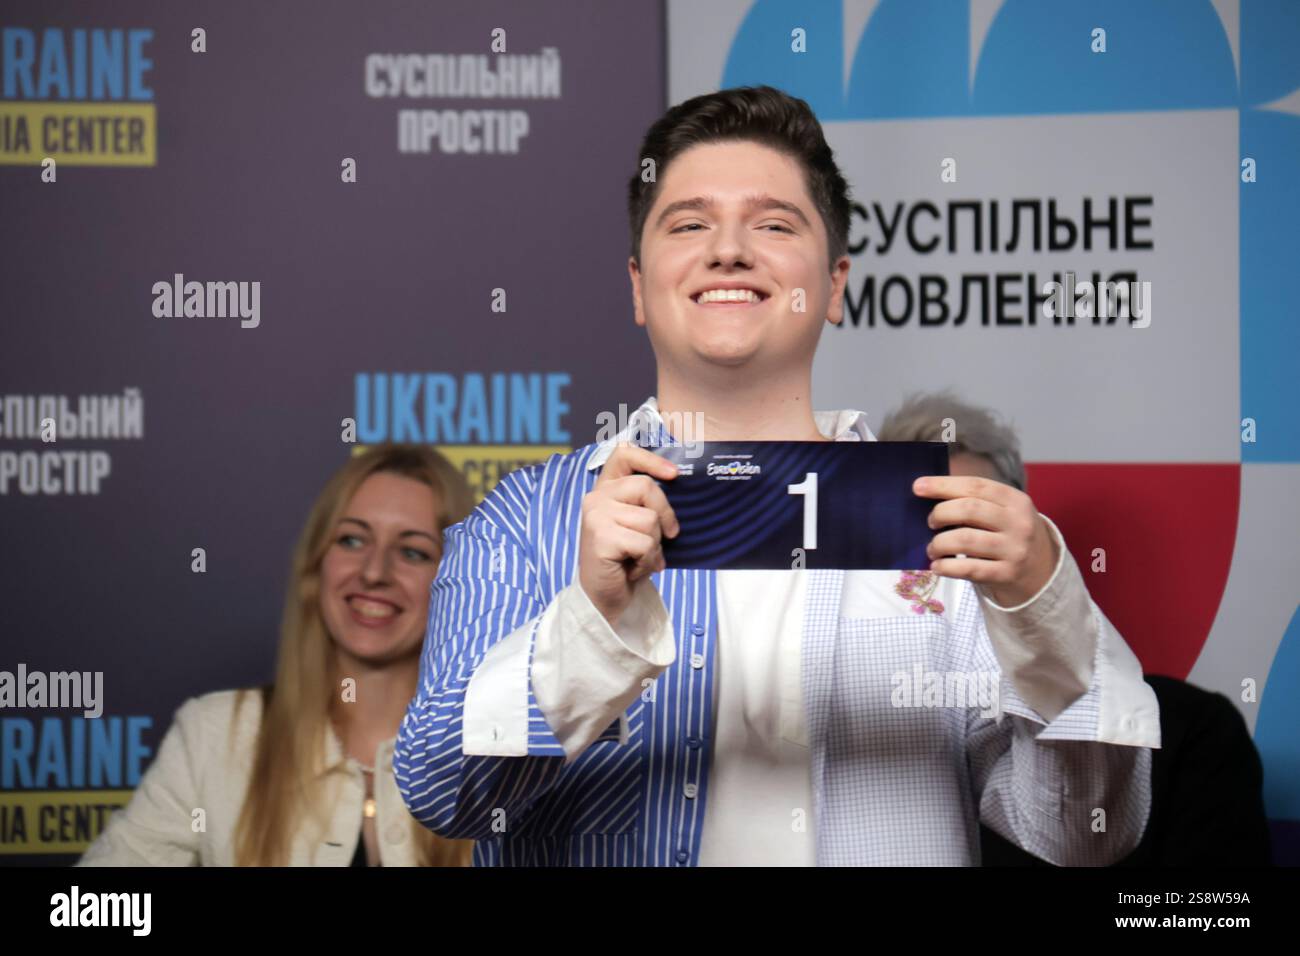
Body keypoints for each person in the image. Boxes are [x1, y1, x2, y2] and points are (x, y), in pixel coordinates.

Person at [394, 85, 1160, 866]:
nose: (727, 250)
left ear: (834, 284)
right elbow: (441, 791)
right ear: (636, 287)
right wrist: (590, 619)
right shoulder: (522, 521)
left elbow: (1081, 834)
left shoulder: (941, 526)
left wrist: (1044, 607)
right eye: (689, 224)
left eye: (773, 224)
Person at [878, 392, 1272, 866]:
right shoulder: (844, 726)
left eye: (977, 528)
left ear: (1034, 540)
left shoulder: (1190, 733)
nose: (949, 562)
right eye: (915, 535)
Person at [79, 445, 476, 866]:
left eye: (413, 552)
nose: (374, 572)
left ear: (459, 580)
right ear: (315, 566)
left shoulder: (508, 760)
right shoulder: (214, 736)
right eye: (352, 539)